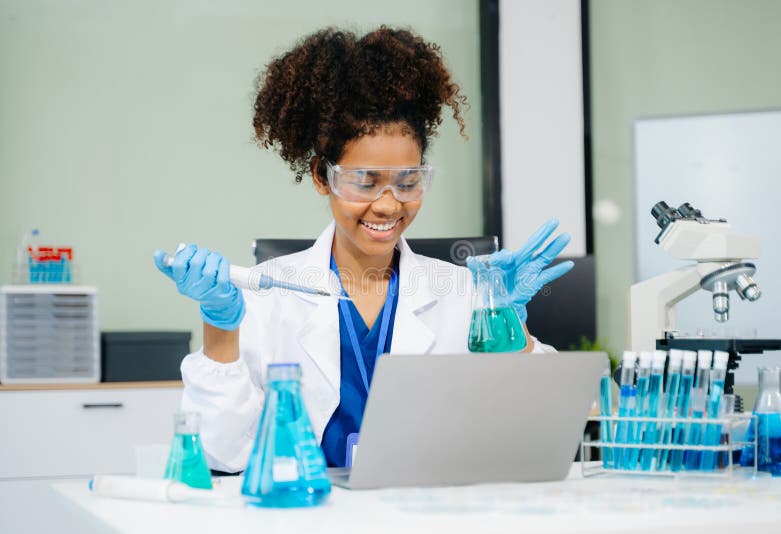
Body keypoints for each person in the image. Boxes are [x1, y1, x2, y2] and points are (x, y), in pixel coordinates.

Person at [154, 26, 573, 472]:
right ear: (322, 176)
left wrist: (508, 327)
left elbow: (539, 432)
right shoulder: (265, 295)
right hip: (308, 515)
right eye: (365, 181)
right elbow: (224, 454)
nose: (389, 204)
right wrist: (219, 327)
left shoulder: (464, 294)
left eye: (408, 181)